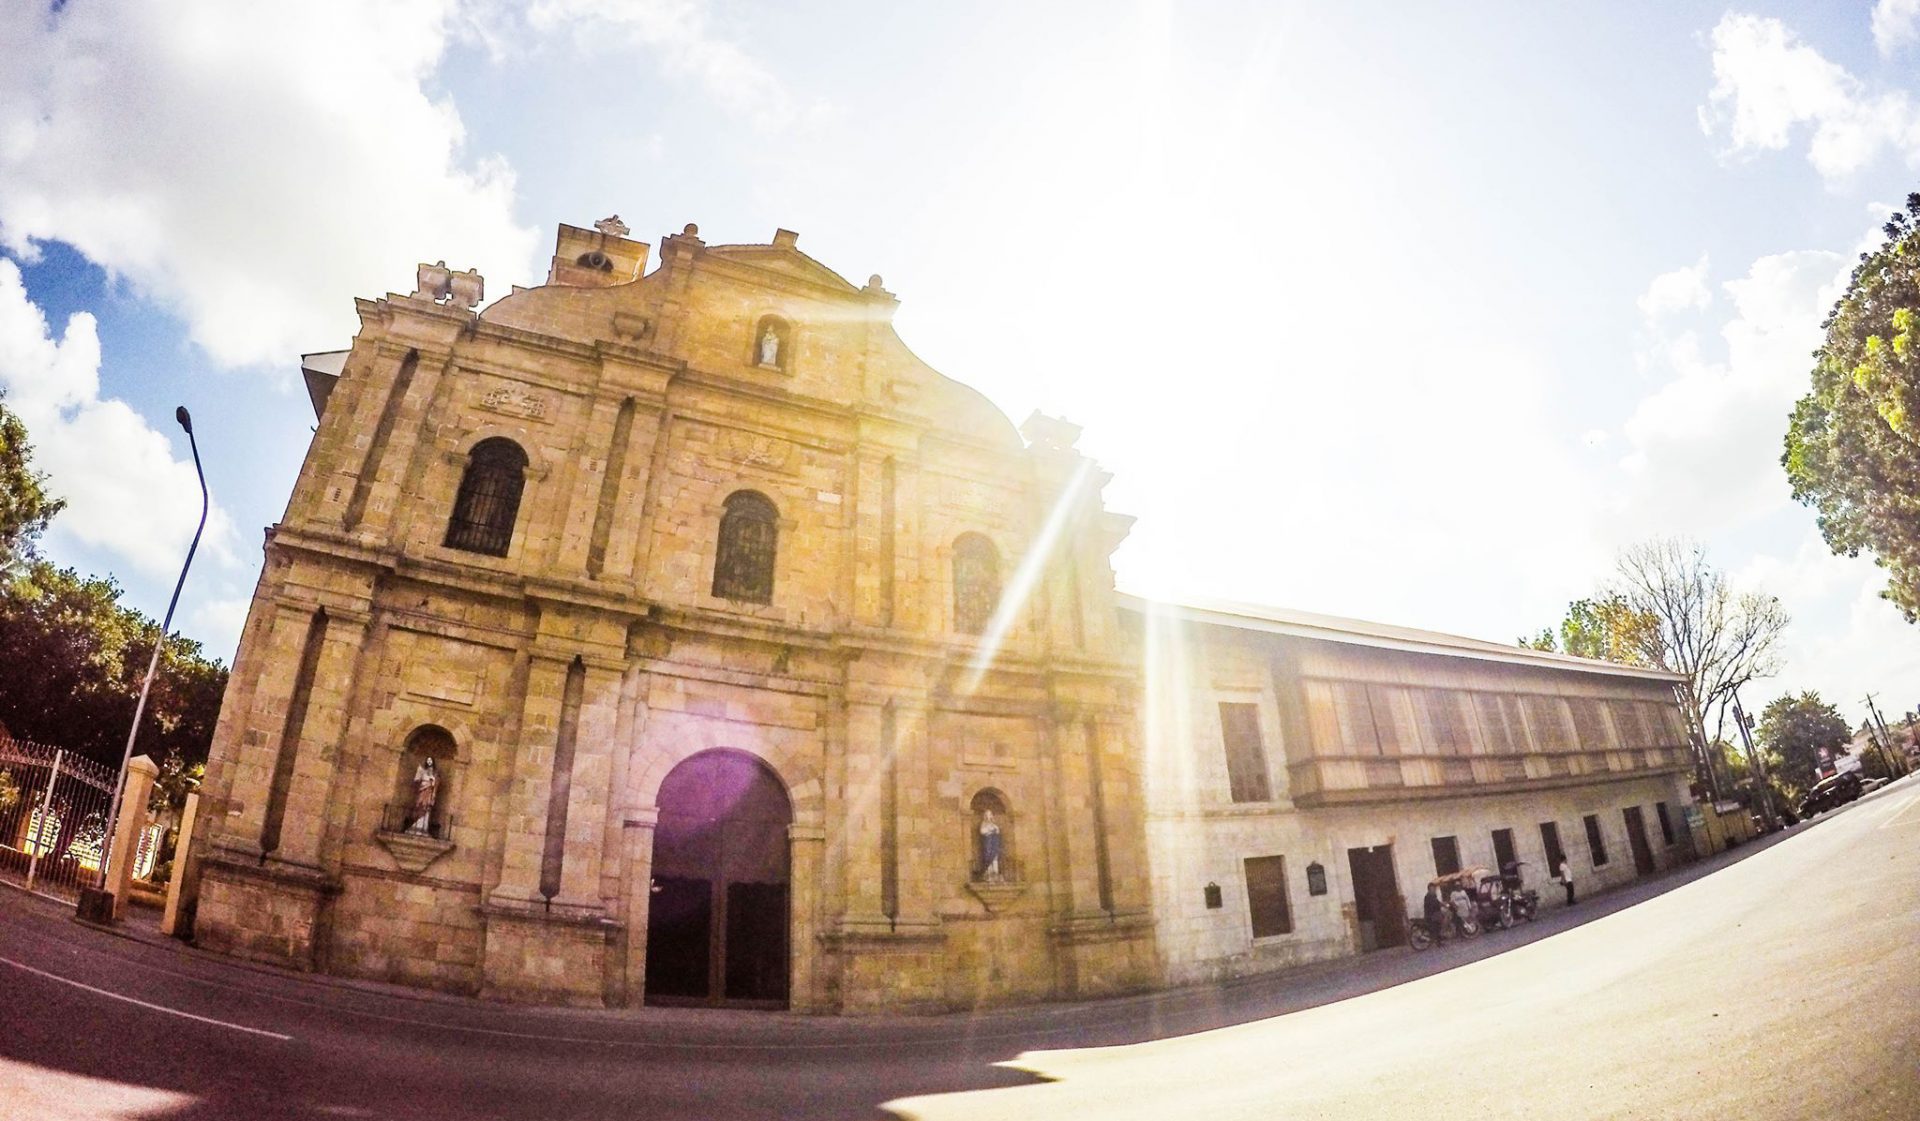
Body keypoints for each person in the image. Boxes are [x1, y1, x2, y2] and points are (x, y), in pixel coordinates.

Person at [408, 757, 439, 836]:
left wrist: (433, 783)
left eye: (430, 760)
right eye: (428, 760)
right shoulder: (423, 771)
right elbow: (417, 781)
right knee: (420, 806)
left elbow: (436, 783)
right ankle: (417, 824)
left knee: (426, 808)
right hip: (422, 791)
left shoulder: (434, 773)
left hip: (429, 792)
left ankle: (423, 826)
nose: (429, 762)